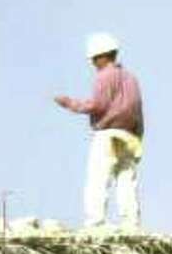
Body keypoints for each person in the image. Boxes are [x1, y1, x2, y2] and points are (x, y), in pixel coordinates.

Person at [53, 31, 145, 228]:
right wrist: (138, 138)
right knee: (126, 180)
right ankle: (131, 224)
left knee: (98, 179)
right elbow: (138, 109)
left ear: (103, 56)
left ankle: (95, 223)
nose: (93, 64)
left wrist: (69, 103)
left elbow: (97, 105)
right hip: (129, 136)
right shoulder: (131, 79)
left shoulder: (104, 77)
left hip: (108, 135)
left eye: (94, 59)